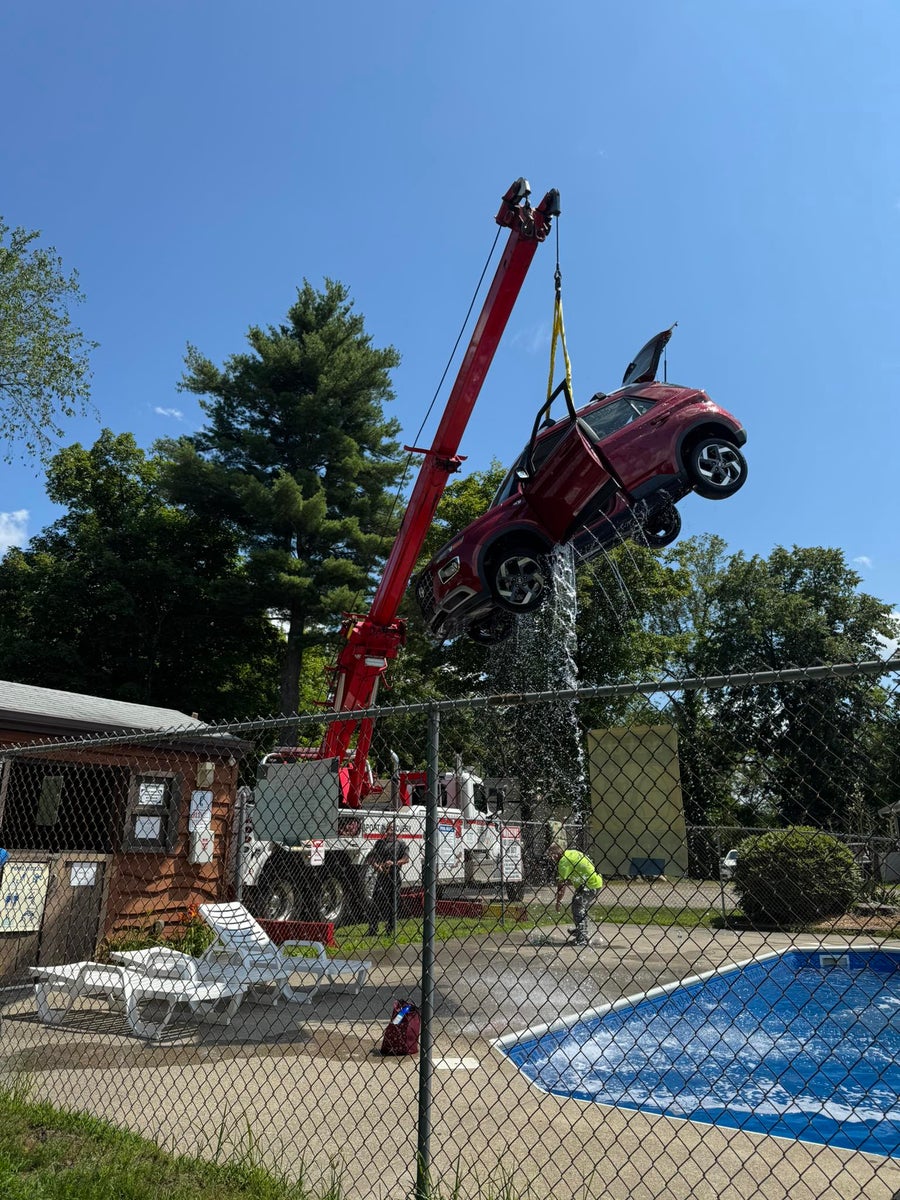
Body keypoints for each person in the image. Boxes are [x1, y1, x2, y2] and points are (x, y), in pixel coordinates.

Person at [546, 844, 603, 946]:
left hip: (590, 885)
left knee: (577, 907)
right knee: (579, 907)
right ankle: (581, 931)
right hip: (593, 881)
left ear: (555, 855)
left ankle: (582, 938)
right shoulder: (571, 853)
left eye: (551, 856)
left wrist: (558, 901)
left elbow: (561, 886)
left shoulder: (563, 862)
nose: (551, 859)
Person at [366, 830, 410, 936]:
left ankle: (390, 929)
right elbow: (370, 857)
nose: (391, 833)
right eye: (389, 831)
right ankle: (373, 928)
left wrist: (394, 863)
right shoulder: (380, 843)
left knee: (393, 902)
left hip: (394, 876)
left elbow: (406, 859)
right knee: (376, 902)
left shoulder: (401, 843)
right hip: (382, 877)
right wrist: (377, 866)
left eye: (393, 831)